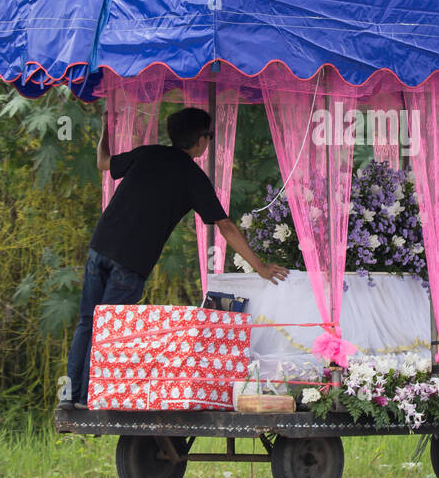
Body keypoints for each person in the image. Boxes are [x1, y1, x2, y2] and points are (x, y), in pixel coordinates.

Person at [62, 107, 288, 409]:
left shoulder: (148, 153)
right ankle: (86, 400)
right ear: (199, 140)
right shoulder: (192, 176)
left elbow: (103, 161)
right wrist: (259, 266)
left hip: (100, 245)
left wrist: (104, 126)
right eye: (209, 135)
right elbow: (226, 225)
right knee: (107, 330)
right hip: (131, 261)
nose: (209, 141)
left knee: (87, 322)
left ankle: (70, 397)